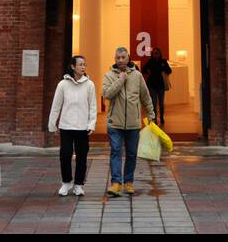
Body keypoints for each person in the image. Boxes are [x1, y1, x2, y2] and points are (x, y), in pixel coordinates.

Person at [102, 46, 155, 198]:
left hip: (133, 123)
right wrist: (120, 80)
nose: (120, 60)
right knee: (116, 152)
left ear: (128, 58)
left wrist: (151, 113)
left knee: (131, 154)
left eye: (123, 57)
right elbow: (107, 94)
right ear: (114, 59)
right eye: (117, 58)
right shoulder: (109, 76)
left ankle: (129, 182)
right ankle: (116, 183)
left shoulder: (137, 76)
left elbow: (145, 97)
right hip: (115, 123)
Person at [47, 54, 97, 196]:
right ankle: (66, 182)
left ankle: (79, 185)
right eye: (80, 64)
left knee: (82, 156)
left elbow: (93, 106)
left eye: (84, 65)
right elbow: (56, 105)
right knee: (65, 154)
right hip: (66, 127)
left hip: (82, 128)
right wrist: (52, 124)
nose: (83, 67)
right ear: (73, 66)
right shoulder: (62, 85)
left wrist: (91, 124)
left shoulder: (90, 85)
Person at [141, 47, 172, 127]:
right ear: (152, 54)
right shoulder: (150, 61)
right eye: (154, 53)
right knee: (154, 103)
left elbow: (169, 71)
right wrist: (147, 70)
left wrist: (164, 67)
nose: (156, 55)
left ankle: (161, 117)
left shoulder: (163, 61)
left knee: (161, 103)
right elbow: (143, 69)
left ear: (160, 54)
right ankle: (154, 119)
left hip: (161, 85)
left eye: (157, 53)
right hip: (152, 85)